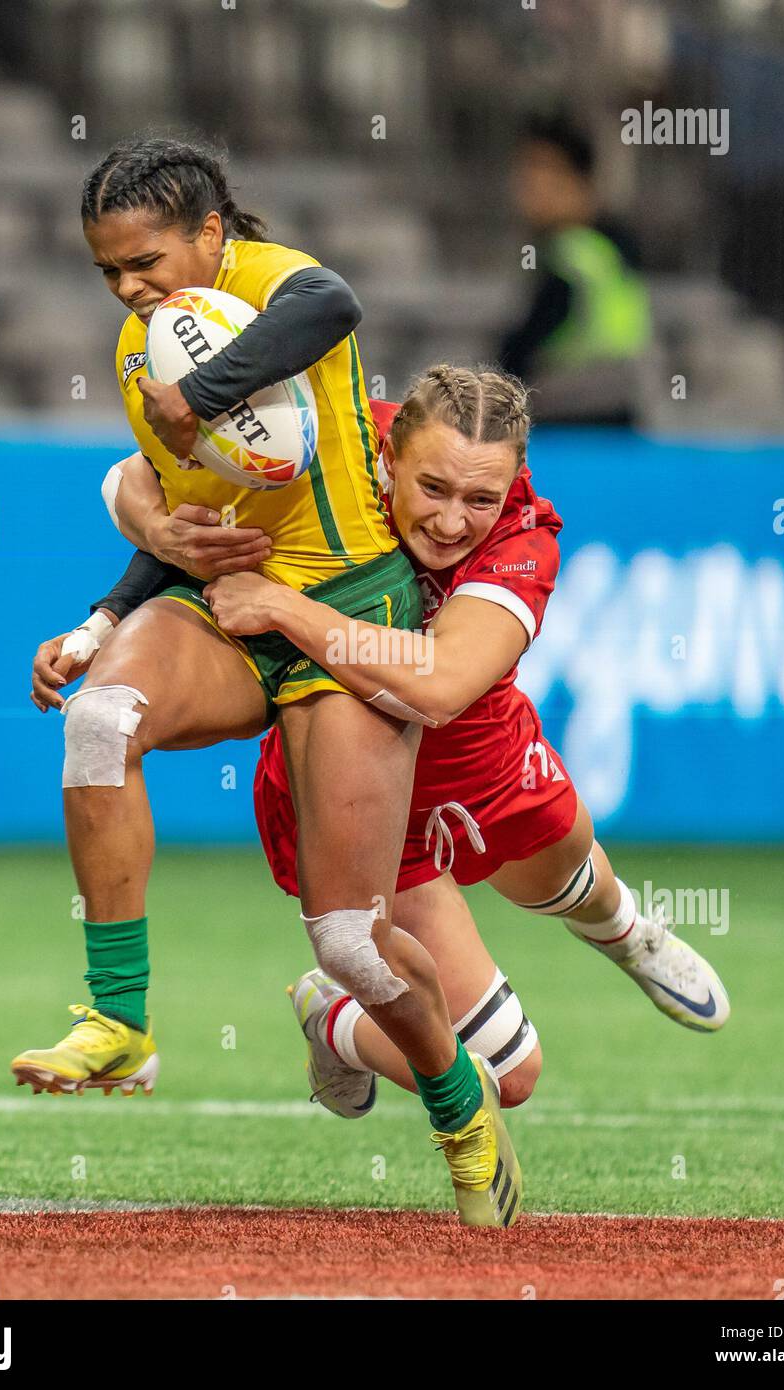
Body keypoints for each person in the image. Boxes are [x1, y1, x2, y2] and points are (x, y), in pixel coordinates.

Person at [12, 135, 521, 1229]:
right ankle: (120, 1024)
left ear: (210, 232)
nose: (128, 288)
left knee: (347, 941)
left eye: (145, 261)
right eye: (107, 270)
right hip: (228, 609)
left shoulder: (272, 283)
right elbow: (192, 523)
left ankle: (457, 1104)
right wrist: (99, 621)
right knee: (99, 717)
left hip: (349, 614)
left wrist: (196, 392)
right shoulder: (141, 350)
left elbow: (333, 304)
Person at [203, 368, 729, 1116]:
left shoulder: (523, 541)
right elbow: (133, 478)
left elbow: (440, 686)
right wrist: (146, 548)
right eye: (434, 489)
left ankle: (630, 936)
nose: (453, 522)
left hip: (484, 761)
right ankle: (334, 1019)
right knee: (510, 1077)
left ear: (511, 484)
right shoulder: (329, 437)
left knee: (577, 872)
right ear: (391, 456)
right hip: (364, 795)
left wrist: (284, 607)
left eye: (481, 499)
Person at [497, 112, 652, 426]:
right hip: (619, 406)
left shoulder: (573, 253)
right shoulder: (612, 247)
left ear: (581, 182)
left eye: (546, 176)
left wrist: (494, 382)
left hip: (574, 414)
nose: (531, 190)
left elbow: (529, 340)